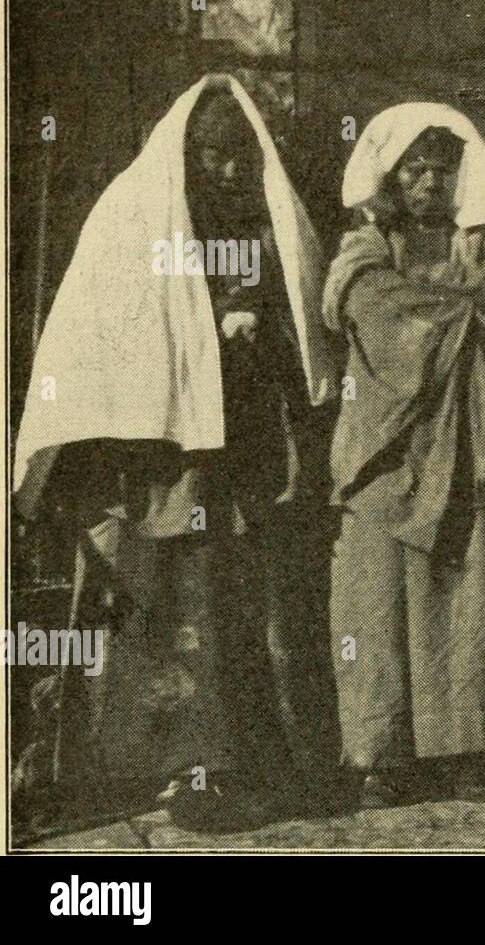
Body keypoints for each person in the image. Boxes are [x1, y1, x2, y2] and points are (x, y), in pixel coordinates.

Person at [12, 75, 337, 832]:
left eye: (242, 155)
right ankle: (129, 765)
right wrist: (186, 353)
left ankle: (224, 767)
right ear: (185, 155)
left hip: (244, 453)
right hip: (156, 461)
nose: (228, 170)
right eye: (213, 155)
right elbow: (102, 332)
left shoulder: (270, 231)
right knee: (151, 607)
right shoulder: (134, 216)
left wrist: (255, 324)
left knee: (230, 609)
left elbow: (312, 333)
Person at [324, 104, 485, 805]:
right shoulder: (366, 245)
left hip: (475, 443)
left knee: (472, 595)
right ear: (389, 177)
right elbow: (370, 307)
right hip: (392, 447)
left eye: (441, 168)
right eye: (413, 168)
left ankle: (473, 749)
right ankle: (381, 757)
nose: (427, 182)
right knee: (380, 599)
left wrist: (457, 290)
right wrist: (464, 304)